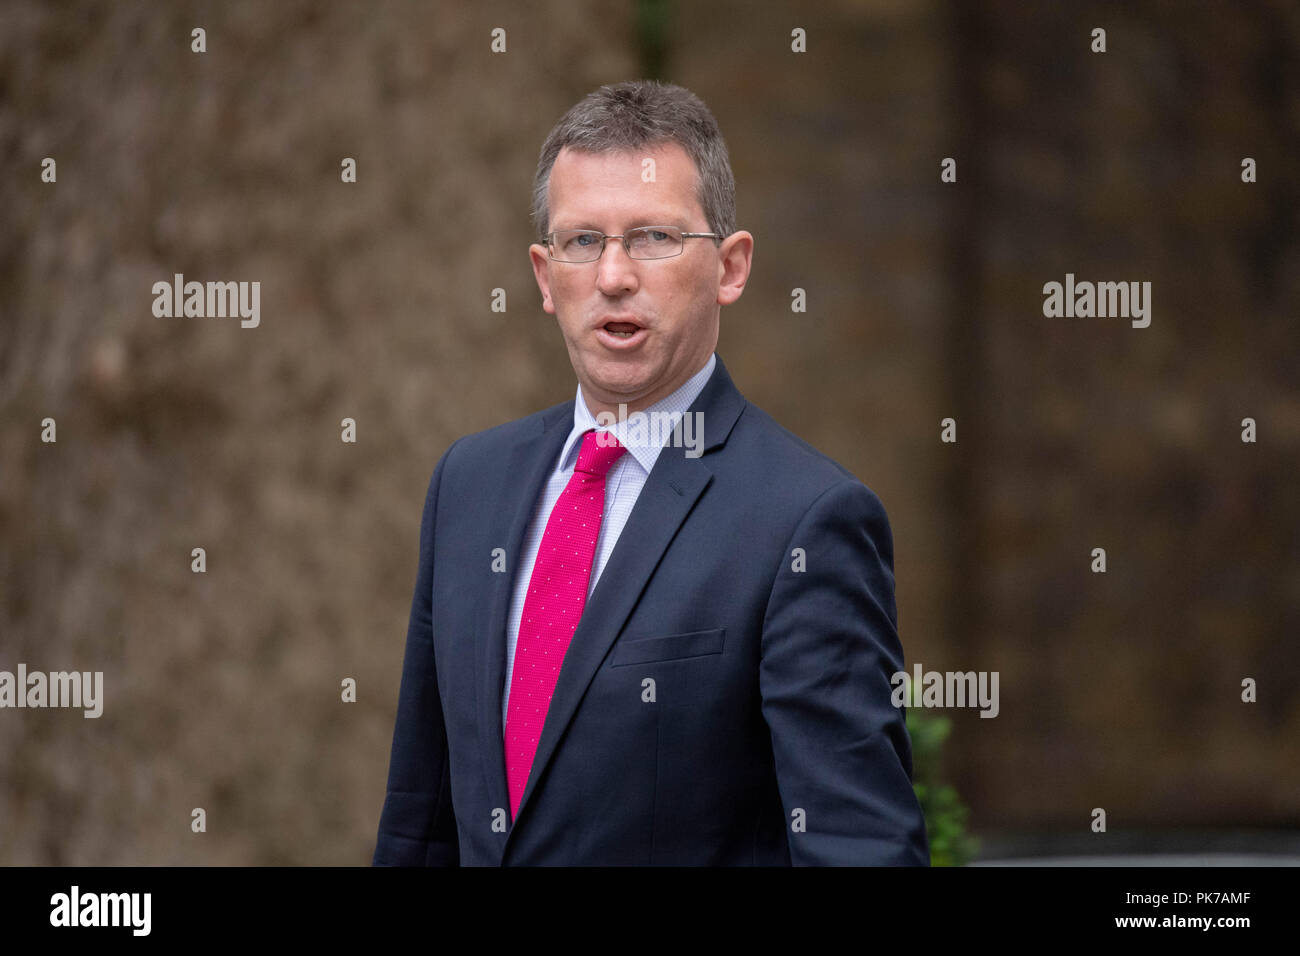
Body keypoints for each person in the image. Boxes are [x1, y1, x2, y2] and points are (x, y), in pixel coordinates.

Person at [372, 79, 929, 865]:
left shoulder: (807, 522)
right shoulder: (468, 486)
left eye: (653, 238)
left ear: (731, 268)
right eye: (582, 242)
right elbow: (420, 824)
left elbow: (857, 851)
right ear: (542, 275)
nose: (613, 276)